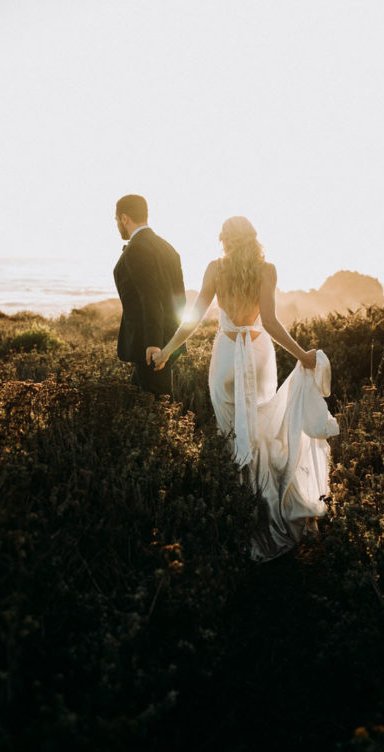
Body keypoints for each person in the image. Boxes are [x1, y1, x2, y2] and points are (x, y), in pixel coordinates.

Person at [153, 216, 339, 560]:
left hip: (225, 356)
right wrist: (302, 356)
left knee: (232, 435)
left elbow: (193, 317)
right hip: (257, 355)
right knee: (262, 434)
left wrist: (166, 351)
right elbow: (269, 321)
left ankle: (240, 513)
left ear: (224, 238)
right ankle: (268, 513)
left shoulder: (214, 268)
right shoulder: (266, 270)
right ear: (254, 238)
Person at [113, 194, 186, 397]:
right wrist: (173, 339)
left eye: (117, 220)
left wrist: (154, 343)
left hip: (150, 345)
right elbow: (180, 299)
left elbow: (150, 297)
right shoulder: (167, 248)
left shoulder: (137, 249)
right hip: (170, 339)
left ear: (124, 218)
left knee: (154, 403)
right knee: (143, 398)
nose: (117, 225)